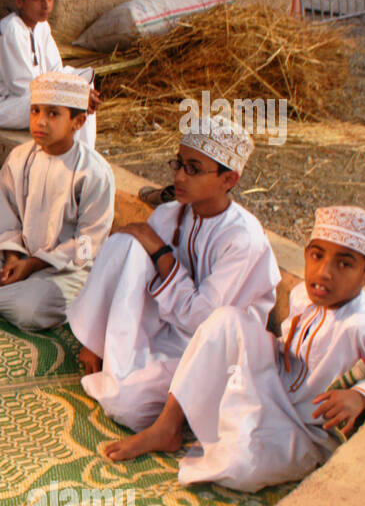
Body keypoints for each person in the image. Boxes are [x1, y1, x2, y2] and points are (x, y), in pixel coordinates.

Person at [106, 208, 365, 491]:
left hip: (305, 430)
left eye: (344, 264)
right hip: (273, 382)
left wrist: (361, 396)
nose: (324, 272)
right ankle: (167, 426)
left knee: (240, 466)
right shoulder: (304, 295)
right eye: (317, 256)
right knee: (225, 320)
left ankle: (233, 425)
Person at [68, 116, 280, 433]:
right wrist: (95, 339)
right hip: (164, 326)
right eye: (179, 164)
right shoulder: (169, 213)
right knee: (127, 243)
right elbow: (132, 278)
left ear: (229, 179)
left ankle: (158, 399)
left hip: (207, 352)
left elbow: (202, 321)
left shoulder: (243, 239)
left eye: (193, 169)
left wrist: (162, 253)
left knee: (128, 405)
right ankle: (102, 345)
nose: (179, 176)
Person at [0, 72, 114, 330]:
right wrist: (14, 258)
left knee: (31, 310)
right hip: (18, 255)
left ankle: (23, 298)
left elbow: (87, 245)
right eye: (35, 111)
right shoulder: (20, 158)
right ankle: (16, 297)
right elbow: (6, 220)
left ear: (78, 121)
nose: (40, 122)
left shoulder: (94, 172)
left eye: (53, 114)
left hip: (65, 269)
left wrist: (36, 264)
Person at [0, 0, 99, 147]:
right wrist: (70, 95)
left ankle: (84, 157)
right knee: (74, 99)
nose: (46, 4)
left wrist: (79, 89)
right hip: (1, 106)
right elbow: (25, 88)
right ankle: (71, 161)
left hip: (31, 98)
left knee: (83, 84)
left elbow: (56, 71)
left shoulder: (42, 26)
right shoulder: (10, 30)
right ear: (19, 1)